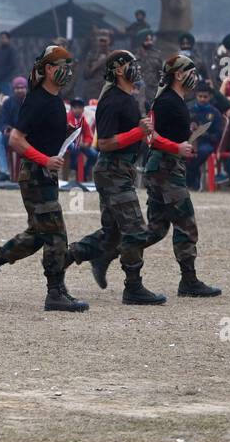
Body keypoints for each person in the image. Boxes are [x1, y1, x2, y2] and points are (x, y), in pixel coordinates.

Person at [0, 45, 89, 312]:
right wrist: (44, 159)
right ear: (47, 69)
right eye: (61, 66)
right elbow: (16, 138)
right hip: (35, 174)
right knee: (56, 234)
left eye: (69, 66)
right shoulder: (38, 99)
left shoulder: (55, 99)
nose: (67, 71)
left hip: (44, 175)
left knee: (38, 234)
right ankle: (55, 293)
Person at [65, 50, 165, 305]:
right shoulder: (112, 100)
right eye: (131, 64)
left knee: (112, 234)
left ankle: (61, 260)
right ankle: (133, 287)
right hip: (113, 171)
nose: (136, 69)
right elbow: (106, 143)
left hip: (121, 170)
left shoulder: (127, 97)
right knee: (134, 231)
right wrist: (137, 132)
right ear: (118, 69)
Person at [142, 55, 221, 296]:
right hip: (165, 168)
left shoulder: (175, 100)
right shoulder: (167, 101)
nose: (194, 77)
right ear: (178, 74)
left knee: (155, 229)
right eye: (190, 71)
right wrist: (176, 147)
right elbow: (150, 136)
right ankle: (189, 281)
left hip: (166, 167)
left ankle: (105, 250)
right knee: (186, 222)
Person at [186, 82, 224, 190]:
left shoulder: (215, 113)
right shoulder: (189, 110)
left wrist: (203, 133)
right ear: (196, 95)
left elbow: (217, 135)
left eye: (205, 97)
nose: (202, 99)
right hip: (190, 141)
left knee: (201, 152)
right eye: (200, 96)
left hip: (207, 143)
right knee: (183, 150)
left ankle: (192, 180)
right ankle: (190, 180)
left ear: (210, 96)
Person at [0, 76, 29, 181]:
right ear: (13, 89)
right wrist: (7, 129)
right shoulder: (8, 103)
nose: (20, 90)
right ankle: (4, 172)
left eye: (22, 88)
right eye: (17, 88)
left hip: (29, 136)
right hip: (12, 135)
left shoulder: (32, 102)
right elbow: (3, 121)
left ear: (26, 88)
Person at [66, 98, 98, 179]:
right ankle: (74, 170)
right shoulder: (67, 118)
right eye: (75, 107)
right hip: (67, 144)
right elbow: (65, 134)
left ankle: (85, 172)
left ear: (83, 109)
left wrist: (87, 143)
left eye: (80, 107)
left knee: (94, 155)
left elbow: (88, 134)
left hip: (80, 144)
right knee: (75, 148)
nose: (77, 110)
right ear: (71, 108)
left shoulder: (83, 119)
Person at [134, 29, 162, 109]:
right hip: (139, 91)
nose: (149, 42)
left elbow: (161, 73)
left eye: (150, 40)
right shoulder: (135, 55)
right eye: (146, 40)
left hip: (153, 89)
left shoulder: (157, 54)